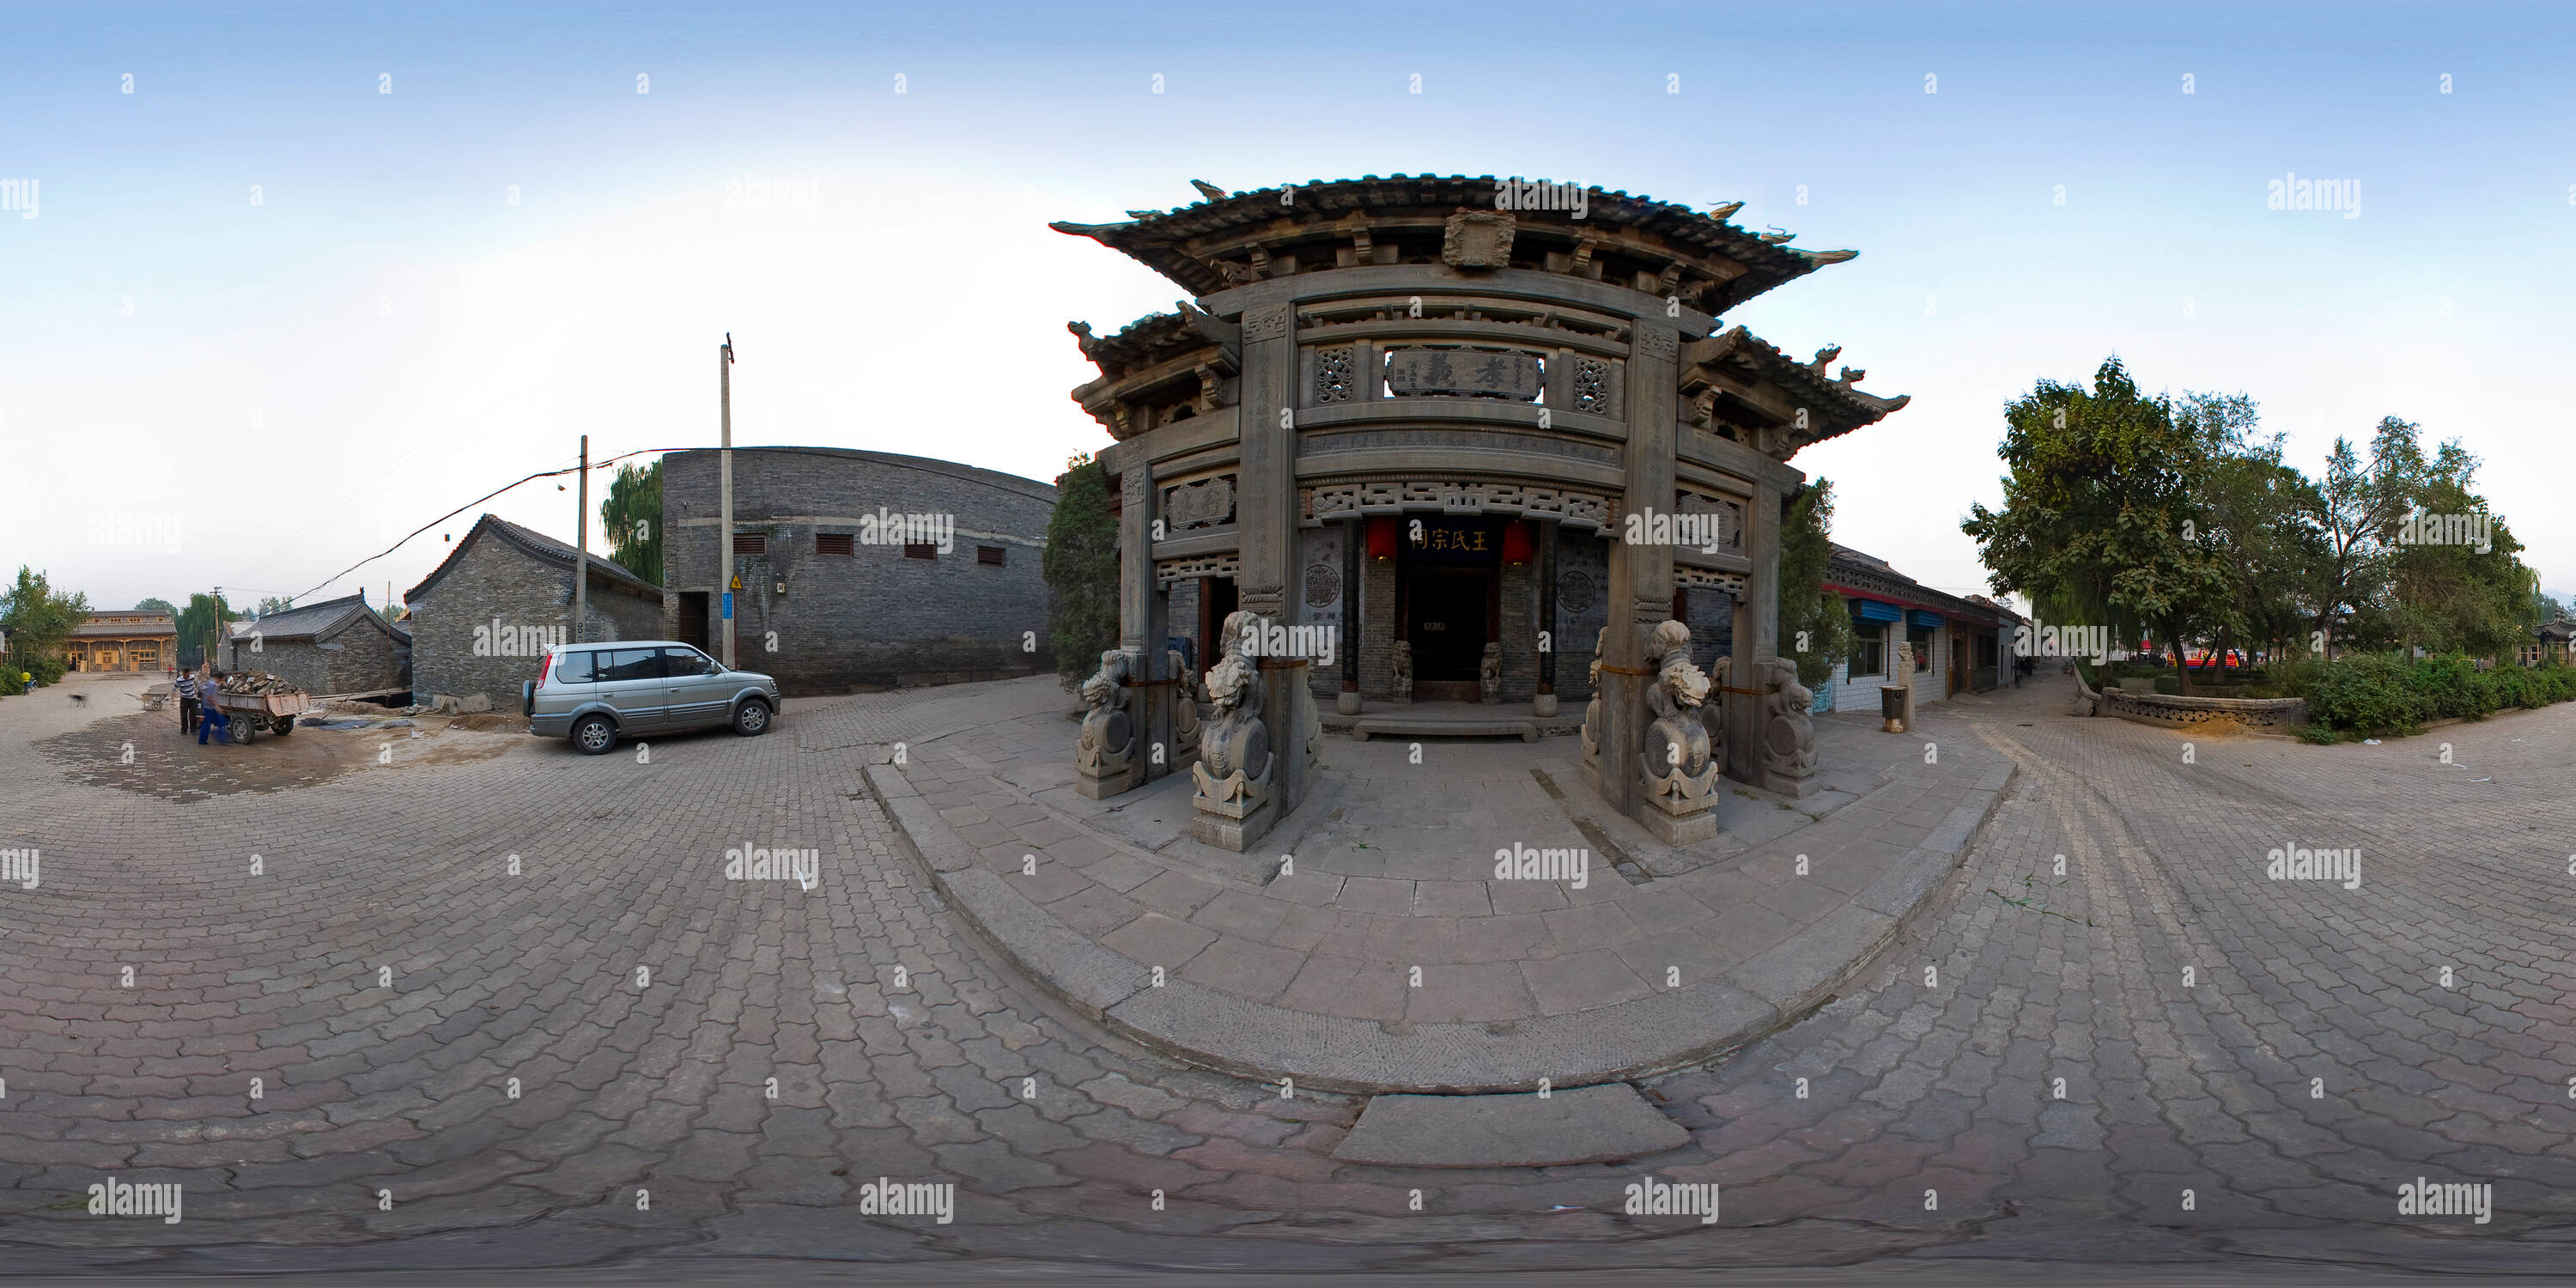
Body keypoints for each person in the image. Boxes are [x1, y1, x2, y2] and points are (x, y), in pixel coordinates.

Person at [197, 665, 230, 745]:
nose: (221, 682)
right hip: (209, 708)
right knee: (207, 725)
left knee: (221, 722)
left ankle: (221, 739)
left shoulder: (209, 682)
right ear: (219, 678)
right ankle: (203, 741)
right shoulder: (212, 684)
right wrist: (217, 706)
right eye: (222, 680)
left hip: (210, 707)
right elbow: (209, 697)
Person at [175, 667, 199, 734]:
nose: (188, 676)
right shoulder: (179, 680)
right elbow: (174, 689)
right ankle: (184, 730)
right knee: (183, 715)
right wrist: (173, 699)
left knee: (193, 715)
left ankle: (193, 730)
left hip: (192, 699)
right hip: (184, 699)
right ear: (183, 674)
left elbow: (197, 683)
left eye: (189, 675)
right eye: (186, 675)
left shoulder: (192, 677)